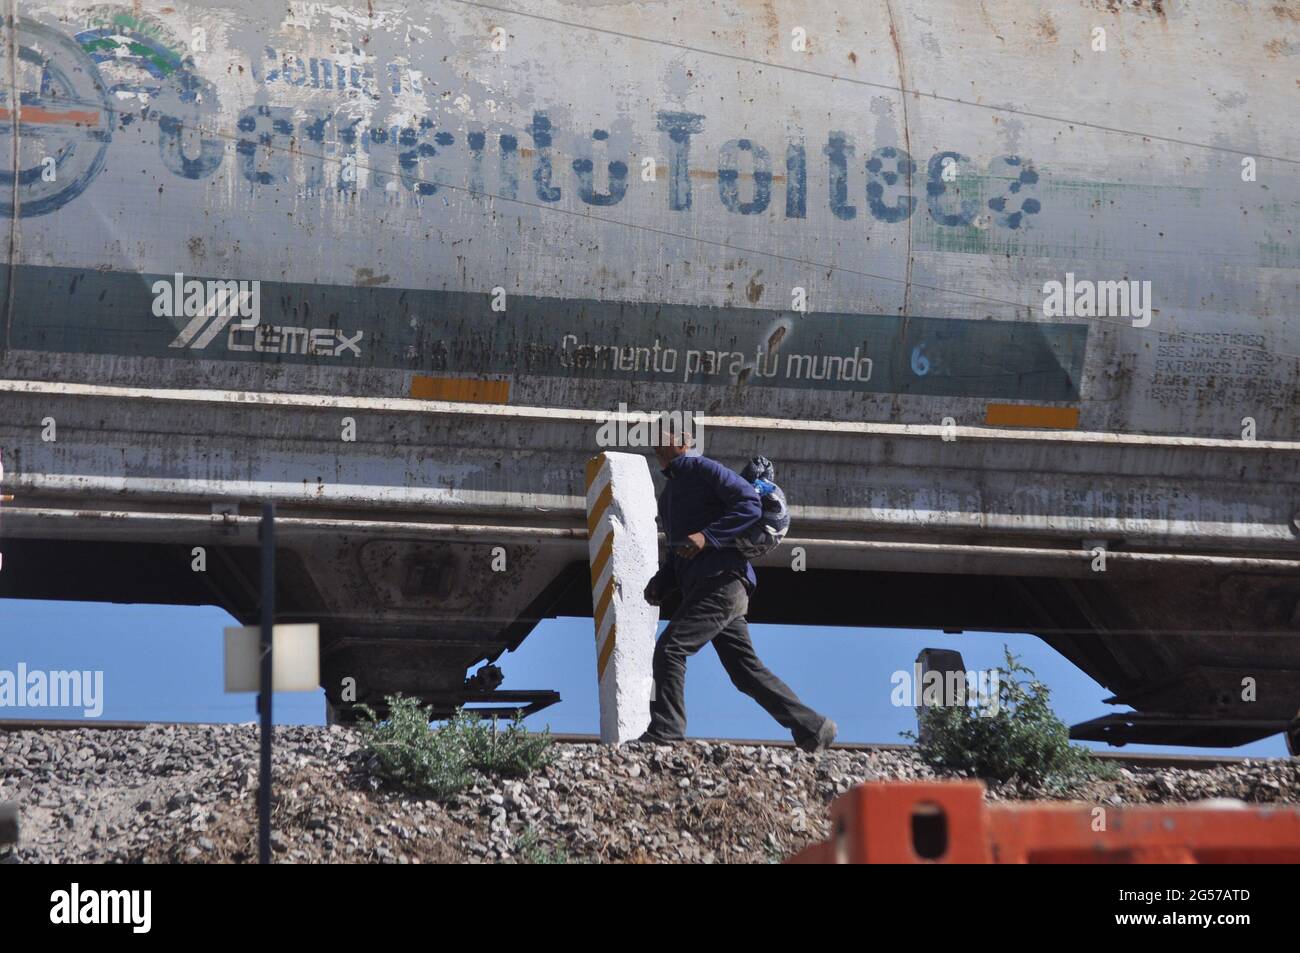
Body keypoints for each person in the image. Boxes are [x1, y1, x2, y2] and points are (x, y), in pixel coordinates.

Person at [638, 426, 837, 752]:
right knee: (745, 672)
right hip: (708, 586)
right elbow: (678, 552)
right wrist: (662, 582)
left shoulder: (703, 468)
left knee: (670, 649)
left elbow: (749, 504)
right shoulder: (668, 497)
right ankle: (814, 727)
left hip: (722, 581)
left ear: (686, 442)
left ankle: (666, 731)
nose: (665, 437)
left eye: (673, 433)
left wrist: (708, 537)